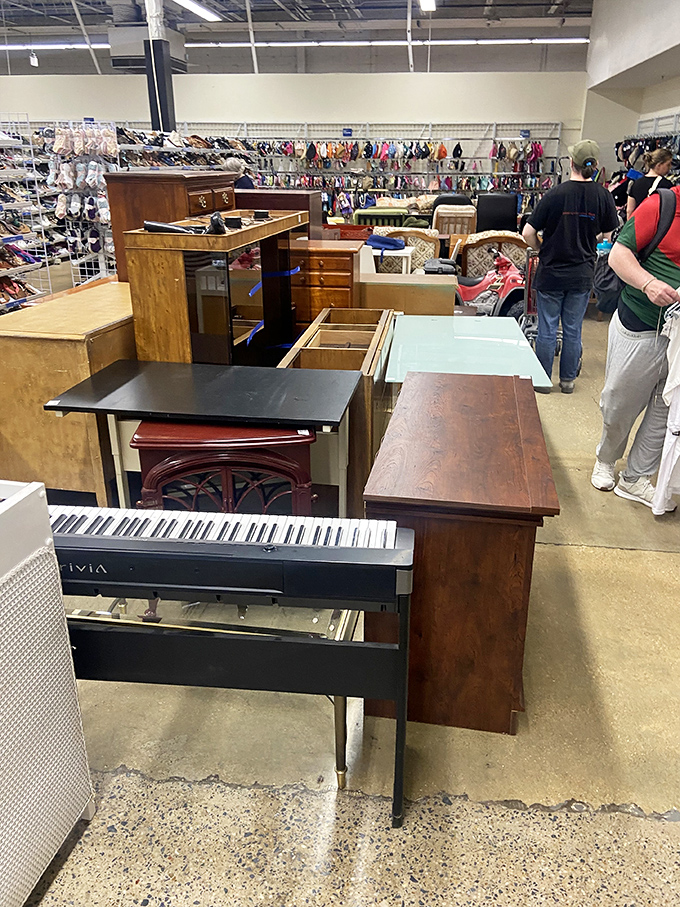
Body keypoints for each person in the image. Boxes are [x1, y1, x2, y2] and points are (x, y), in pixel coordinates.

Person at [591, 185, 680, 509]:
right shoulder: (663, 205)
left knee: (666, 411)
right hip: (641, 325)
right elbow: (618, 254)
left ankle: (635, 477)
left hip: (678, 337)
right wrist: (648, 283)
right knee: (620, 403)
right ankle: (606, 459)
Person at [522, 140, 618, 394]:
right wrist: (589, 239)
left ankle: (542, 381)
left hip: (551, 272)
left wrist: (542, 248)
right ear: (595, 165)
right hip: (582, 274)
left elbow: (527, 233)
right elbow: (609, 235)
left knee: (547, 330)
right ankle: (567, 382)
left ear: (571, 163)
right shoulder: (603, 196)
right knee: (573, 330)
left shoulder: (555, 194)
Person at [626, 148, 673, 220]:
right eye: (668, 164)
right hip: (657, 223)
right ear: (659, 165)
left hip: (639, 223)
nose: (670, 167)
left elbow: (629, 210)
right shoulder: (666, 185)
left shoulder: (636, 183)